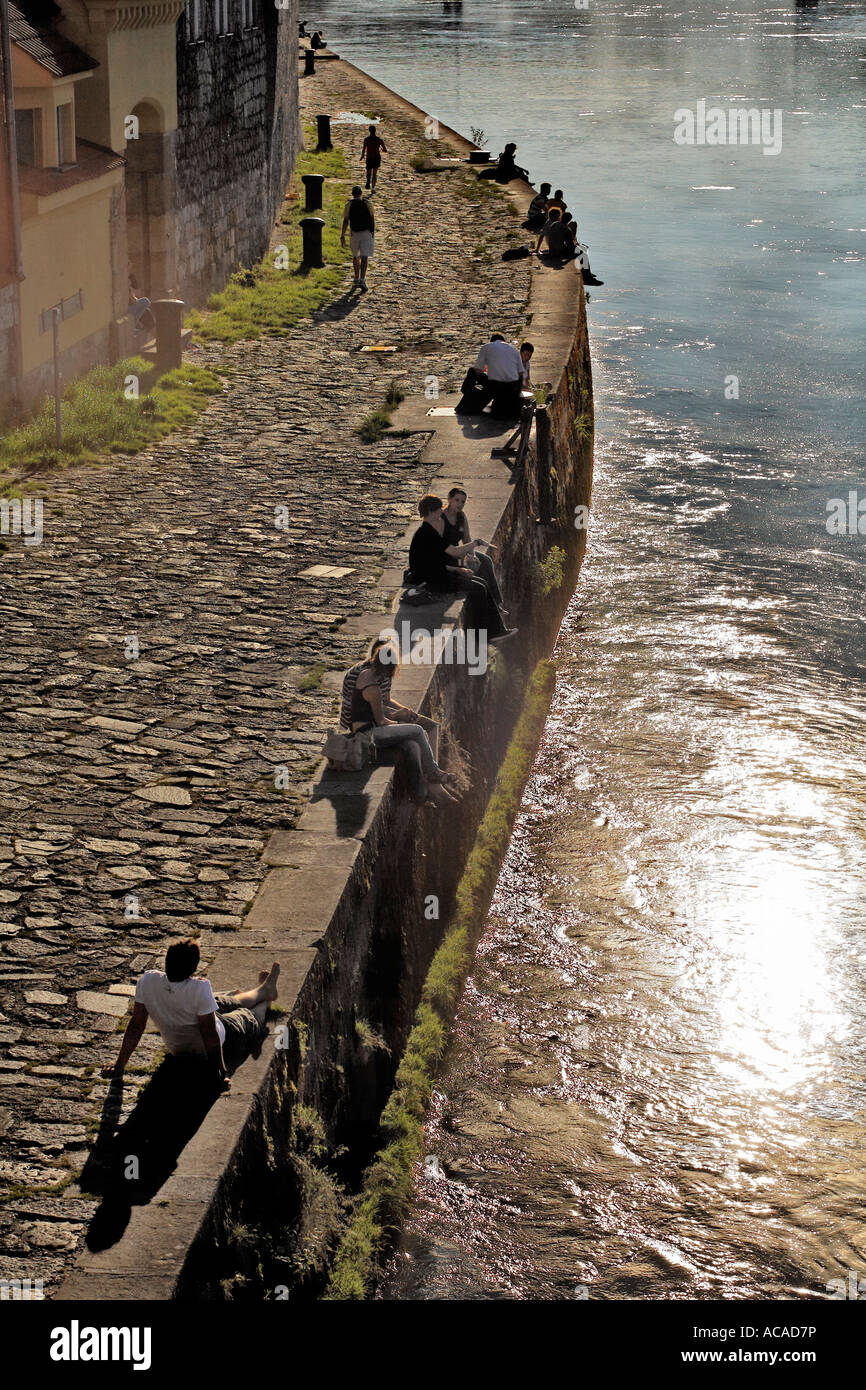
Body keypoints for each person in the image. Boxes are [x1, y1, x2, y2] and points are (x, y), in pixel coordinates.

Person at [101, 940, 280, 1092]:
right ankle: (265, 999)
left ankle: (262, 990)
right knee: (248, 1016)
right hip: (225, 1036)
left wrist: (120, 1064)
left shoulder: (147, 981)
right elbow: (210, 1035)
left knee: (221, 1000)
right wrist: (220, 1073)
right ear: (194, 968)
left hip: (179, 1047)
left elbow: (136, 1026)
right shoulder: (198, 988)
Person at [345, 637, 456, 808]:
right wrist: (400, 723)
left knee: (412, 745)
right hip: (368, 734)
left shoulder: (367, 675)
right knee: (417, 730)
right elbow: (382, 721)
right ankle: (433, 773)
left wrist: (401, 721)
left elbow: (381, 713)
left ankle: (420, 795)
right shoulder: (372, 688)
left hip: (372, 729)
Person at [408, 494, 516, 643]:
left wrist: (458, 570)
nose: (441, 514)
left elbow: (436, 563)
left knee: (482, 583)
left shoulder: (429, 530)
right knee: (478, 589)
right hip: (431, 581)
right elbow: (454, 552)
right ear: (431, 512)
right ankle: (486, 634)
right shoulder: (428, 533)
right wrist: (476, 543)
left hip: (437, 573)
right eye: (439, 512)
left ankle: (497, 629)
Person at [442, 486, 505, 610]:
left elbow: (466, 538)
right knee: (474, 571)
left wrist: (472, 555)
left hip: (459, 550)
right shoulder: (440, 519)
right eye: (457, 500)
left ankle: (497, 603)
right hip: (447, 555)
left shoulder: (461, 516)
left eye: (463, 501)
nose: (460, 504)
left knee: (485, 560)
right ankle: (488, 606)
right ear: (449, 499)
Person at [455, 332, 524, 419]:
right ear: (504, 341)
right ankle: (468, 394)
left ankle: (465, 393)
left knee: (472, 371)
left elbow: (477, 370)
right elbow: (521, 374)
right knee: (492, 379)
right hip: (512, 388)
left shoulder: (486, 347)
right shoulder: (515, 350)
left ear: (491, 341)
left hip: (496, 387)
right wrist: (517, 392)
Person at [341, 186, 375, 291]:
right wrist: (372, 232)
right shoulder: (368, 203)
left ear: (352, 194)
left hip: (354, 233)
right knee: (364, 257)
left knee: (356, 256)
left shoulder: (349, 205)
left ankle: (356, 278)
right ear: (361, 193)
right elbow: (372, 218)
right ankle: (362, 279)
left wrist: (342, 235)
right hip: (366, 233)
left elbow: (346, 221)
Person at [361, 124, 387, 192]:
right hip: (376, 157)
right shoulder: (379, 140)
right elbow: (385, 150)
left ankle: (368, 180)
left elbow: (364, 149)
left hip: (369, 157)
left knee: (368, 172)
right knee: (374, 173)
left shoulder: (366, 139)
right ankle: (373, 188)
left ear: (369, 131)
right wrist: (381, 149)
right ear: (375, 131)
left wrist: (362, 156)